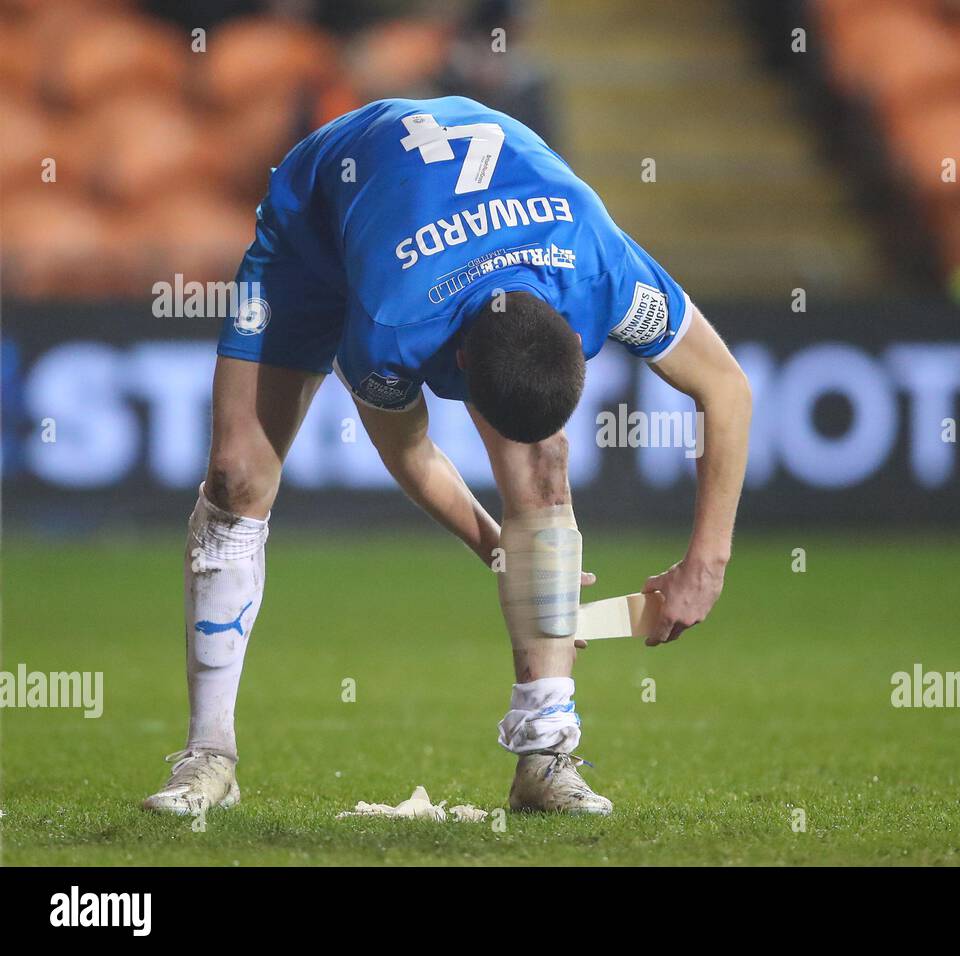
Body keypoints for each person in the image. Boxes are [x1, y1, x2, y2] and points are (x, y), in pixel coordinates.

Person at [142, 97, 751, 816]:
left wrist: (705, 565)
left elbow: (726, 387)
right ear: (454, 359)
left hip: (478, 216)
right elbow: (407, 447)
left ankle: (546, 754)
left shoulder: (599, 264)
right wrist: (495, 547)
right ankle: (209, 756)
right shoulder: (393, 322)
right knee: (237, 476)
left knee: (543, 466)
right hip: (321, 218)